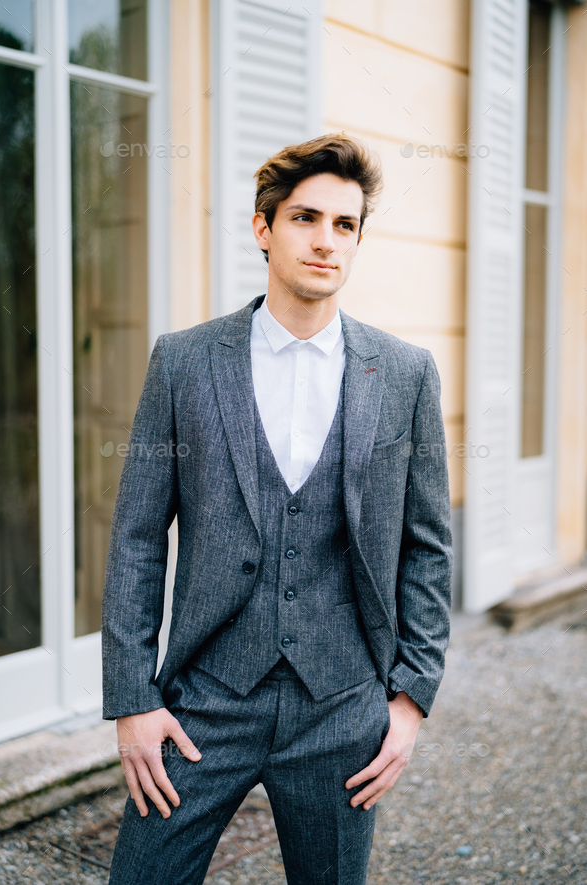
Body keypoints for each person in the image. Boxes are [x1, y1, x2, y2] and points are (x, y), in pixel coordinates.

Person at [101, 132, 453, 885]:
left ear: (358, 240)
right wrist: (133, 699)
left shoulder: (405, 374)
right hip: (202, 705)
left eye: (345, 225)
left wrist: (411, 698)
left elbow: (427, 546)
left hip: (343, 707)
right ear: (264, 228)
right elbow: (137, 537)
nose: (326, 241)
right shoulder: (185, 360)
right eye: (305, 218)